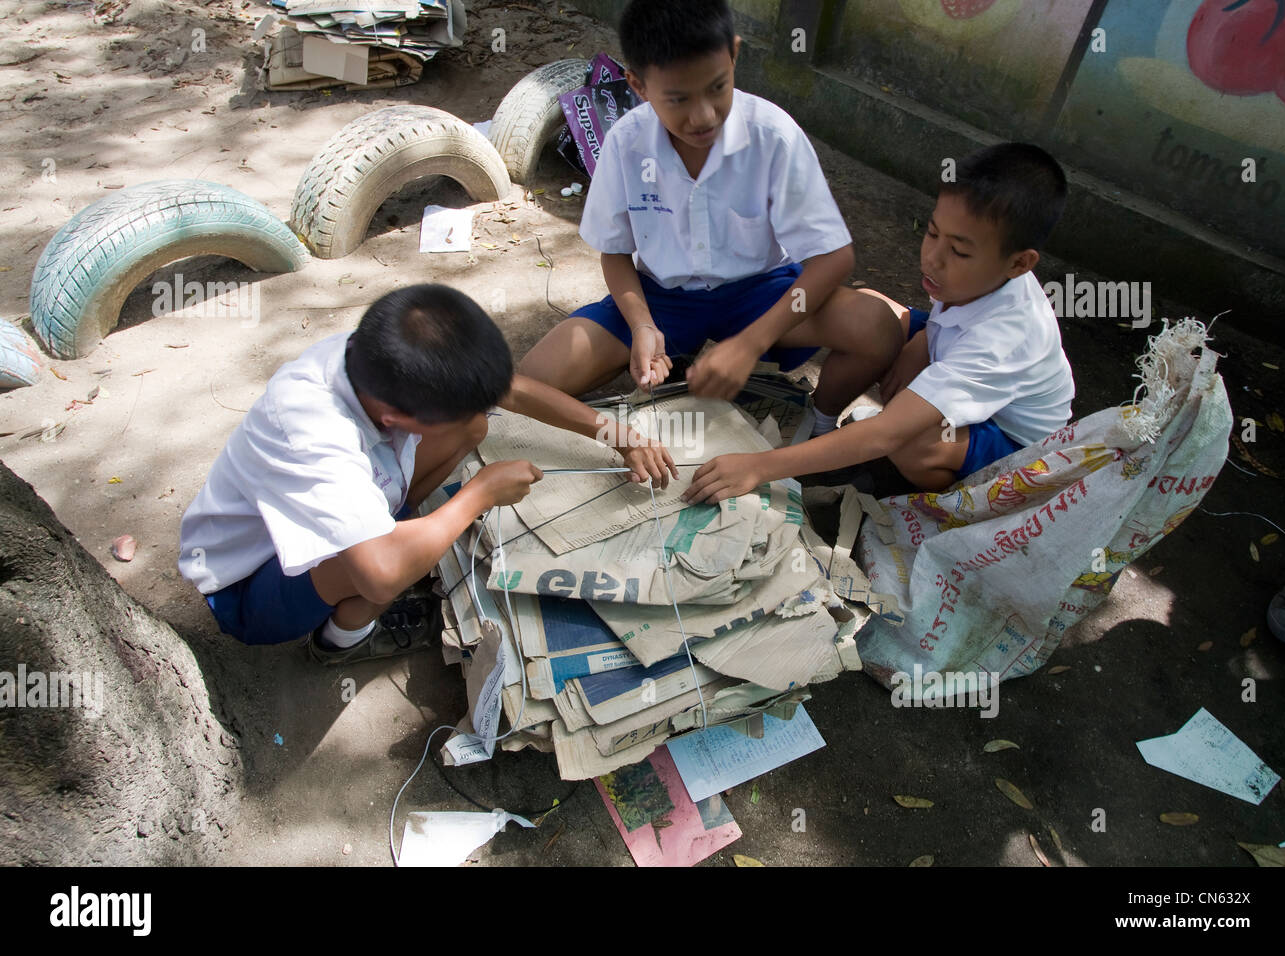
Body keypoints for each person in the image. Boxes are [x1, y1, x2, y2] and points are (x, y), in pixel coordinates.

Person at [179, 284, 676, 664]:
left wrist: (617, 434)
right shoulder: (313, 431)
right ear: (395, 418)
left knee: (474, 425)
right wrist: (478, 495)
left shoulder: (383, 359)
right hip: (245, 589)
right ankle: (340, 643)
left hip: (330, 511)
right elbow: (379, 573)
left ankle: (407, 529)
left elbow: (513, 391)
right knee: (380, 569)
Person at [517, 0, 901, 416]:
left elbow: (834, 258)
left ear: (734, 55)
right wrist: (642, 324)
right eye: (678, 99)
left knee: (876, 327)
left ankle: (819, 423)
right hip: (664, 297)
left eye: (717, 88)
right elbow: (614, 251)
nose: (702, 116)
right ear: (638, 86)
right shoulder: (626, 141)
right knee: (529, 383)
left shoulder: (774, 136)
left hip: (765, 293)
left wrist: (750, 344)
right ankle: (674, 353)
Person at [685, 142, 1077, 503]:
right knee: (870, 312)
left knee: (913, 439)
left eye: (958, 250)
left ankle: (937, 497)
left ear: (1019, 263)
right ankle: (821, 426)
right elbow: (949, 318)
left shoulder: (1006, 337)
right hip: (963, 366)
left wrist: (758, 466)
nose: (933, 258)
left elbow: (888, 432)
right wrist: (919, 345)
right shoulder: (974, 275)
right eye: (932, 232)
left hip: (1008, 445)